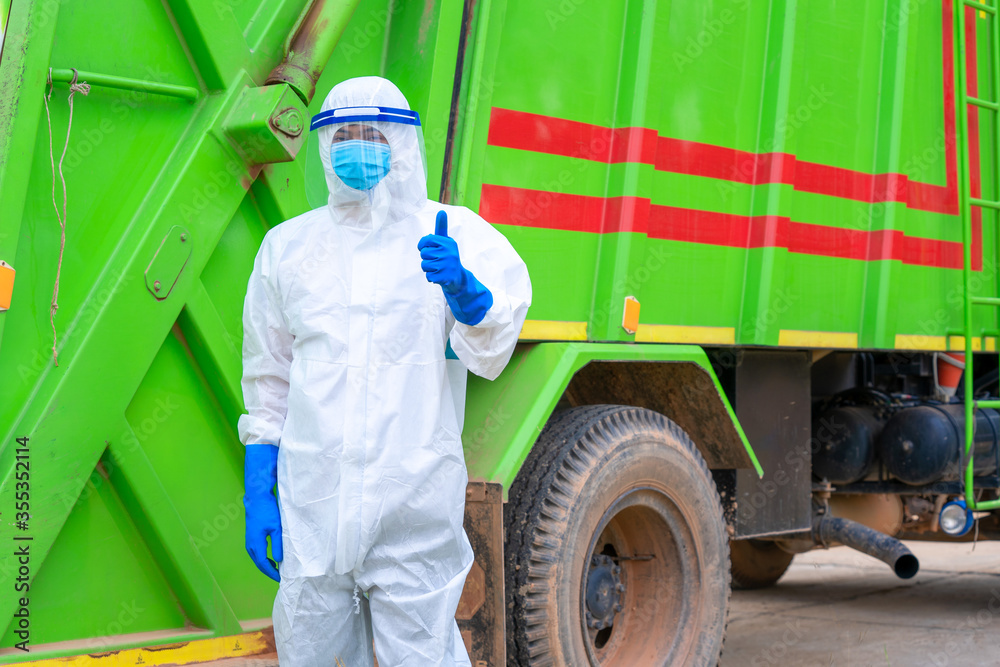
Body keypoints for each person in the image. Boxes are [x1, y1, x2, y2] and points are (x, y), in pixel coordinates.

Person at [238, 76, 531, 667]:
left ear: (402, 143)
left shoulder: (453, 231)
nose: (359, 146)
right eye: (344, 135)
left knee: (422, 657)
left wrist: (466, 294)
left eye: (373, 133)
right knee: (311, 653)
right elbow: (269, 371)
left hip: (413, 511)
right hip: (315, 508)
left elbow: (496, 339)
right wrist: (258, 484)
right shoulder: (288, 249)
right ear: (324, 147)